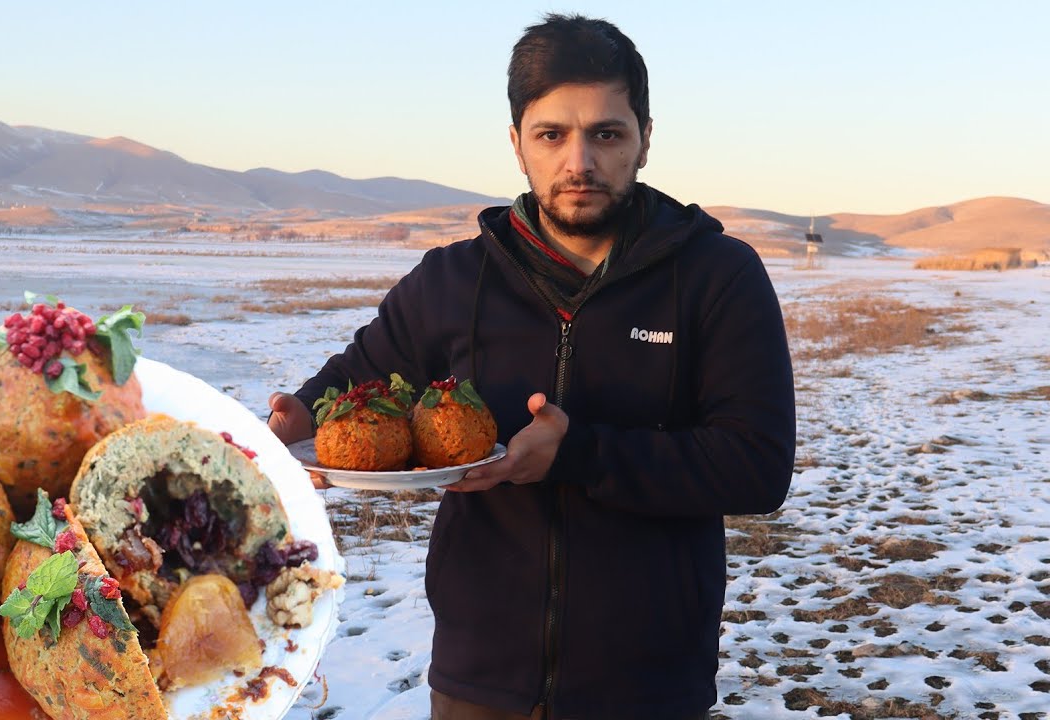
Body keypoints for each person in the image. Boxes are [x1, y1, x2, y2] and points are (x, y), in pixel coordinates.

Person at [268, 13, 794, 720]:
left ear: (644, 138)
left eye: (606, 133)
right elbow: (355, 385)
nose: (579, 162)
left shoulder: (716, 275)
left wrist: (578, 454)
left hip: (647, 684)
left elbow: (757, 464)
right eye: (552, 135)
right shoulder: (453, 279)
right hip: (478, 680)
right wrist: (301, 417)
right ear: (517, 144)